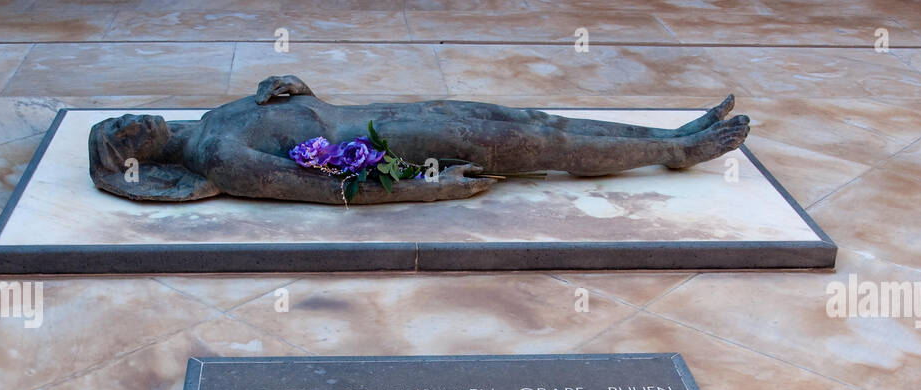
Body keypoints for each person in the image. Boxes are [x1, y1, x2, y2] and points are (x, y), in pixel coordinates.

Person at [89, 74, 750, 205]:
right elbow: (327, 188)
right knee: (544, 148)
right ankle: (677, 152)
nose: (125, 125)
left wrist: (291, 87)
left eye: (115, 118)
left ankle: (667, 136)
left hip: (401, 111)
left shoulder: (214, 118)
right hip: (400, 141)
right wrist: (426, 188)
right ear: (140, 162)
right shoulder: (216, 158)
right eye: (119, 140)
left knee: (535, 120)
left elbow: (304, 115)